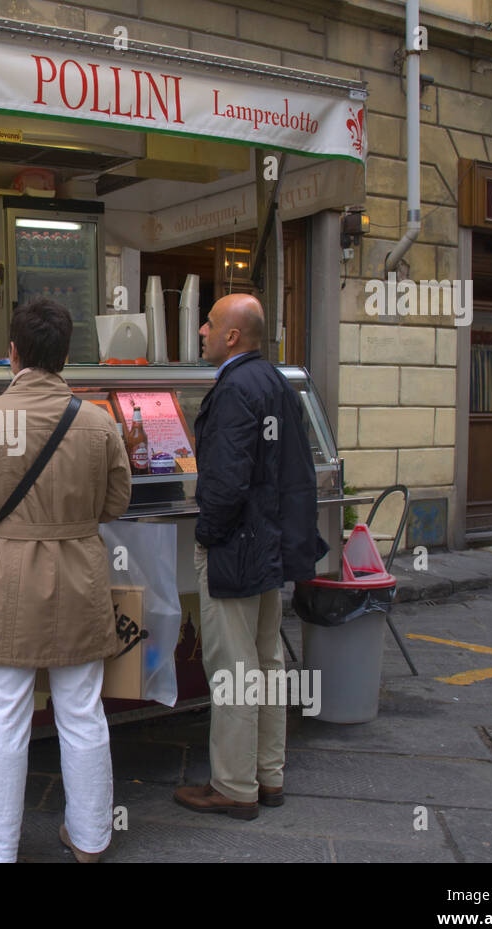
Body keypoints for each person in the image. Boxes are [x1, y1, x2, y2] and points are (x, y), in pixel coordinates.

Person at [0, 298, 132, 863]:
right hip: (80, 577)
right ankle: (92, 837)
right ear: (66, 354)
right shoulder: (97, 421)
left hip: (4, 581)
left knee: (3, 718)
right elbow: (117, 502)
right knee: (82, 711)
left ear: (13, 354)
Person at [174, 293, 326, 820]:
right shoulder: (277, 382)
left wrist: (206, 534)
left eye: (209, 325)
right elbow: (294, 470)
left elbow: (226, 480)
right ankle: (268, 775)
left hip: (235, 546)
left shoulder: (234, 389)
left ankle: (234, 787)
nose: (201, 333)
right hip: (268, 546)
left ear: (232, 336)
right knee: (266, 662)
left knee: (234, 669)